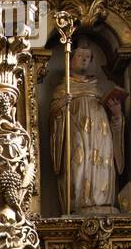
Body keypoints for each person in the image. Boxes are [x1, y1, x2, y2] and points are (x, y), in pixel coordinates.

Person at [50, 40, 126, 213]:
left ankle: (103, 203)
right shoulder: (63, 89)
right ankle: (79, 205)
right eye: (79, 55)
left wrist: (115, 114)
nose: (84, 59)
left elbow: (115, 124)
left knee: (102, 163)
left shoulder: (98, 90)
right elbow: (53, 120)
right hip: (76, 134)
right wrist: (61, 105)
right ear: (70, 59)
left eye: (88, 57)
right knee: (78, 165)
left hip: (101, 137)